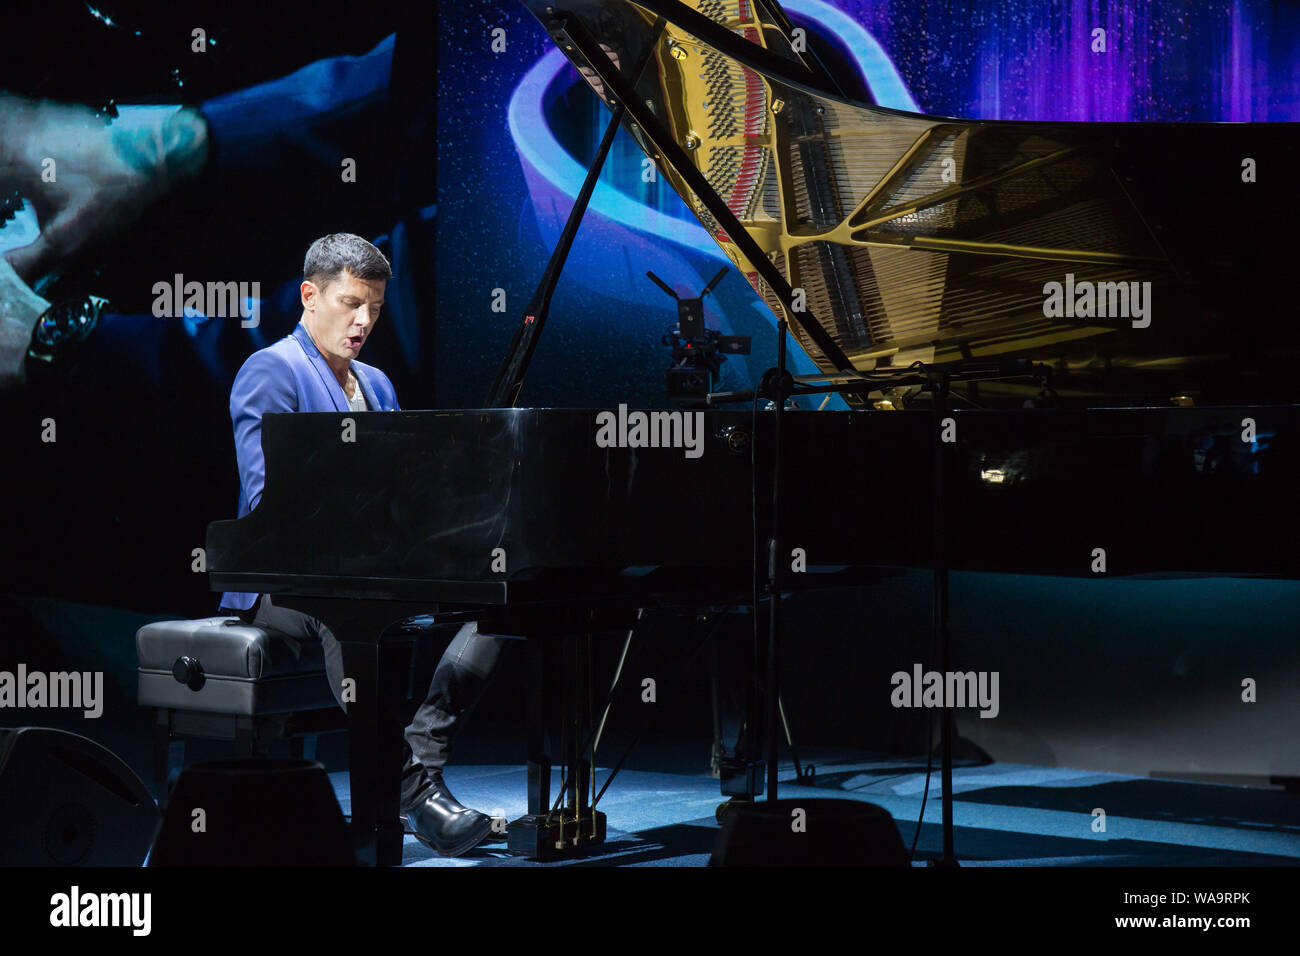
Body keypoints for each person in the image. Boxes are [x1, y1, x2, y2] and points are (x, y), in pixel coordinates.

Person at [221, 232, 506, 858]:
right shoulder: (272, 370)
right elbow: (269, 499)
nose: (364, 321)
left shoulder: (377, 383)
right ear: (308, 296)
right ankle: (415, 795)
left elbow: (403, 491)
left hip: (372, 566)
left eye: (374, 307)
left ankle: (423, 755)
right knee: (344, 610)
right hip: (283, 578)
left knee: (498, 605)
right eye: (351, 304)